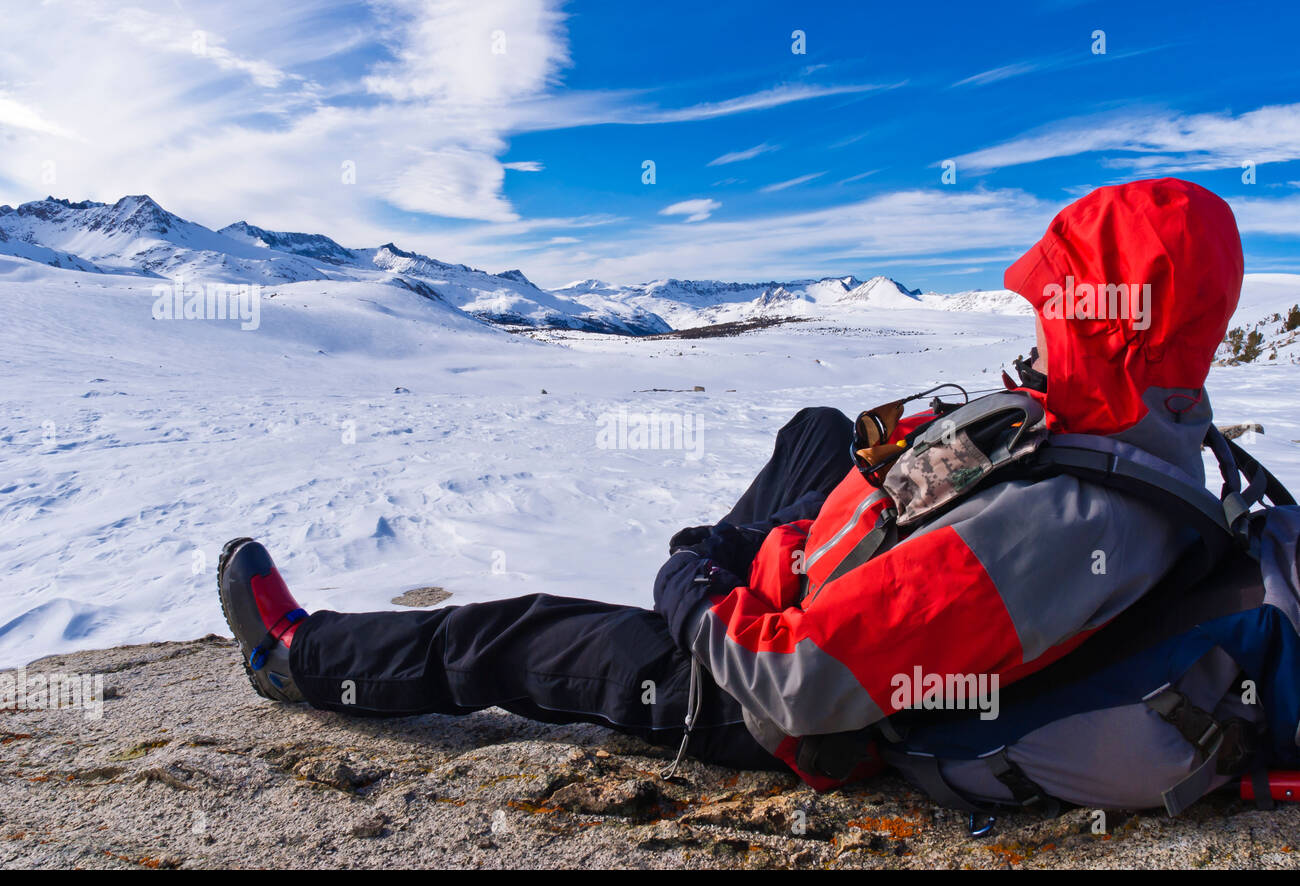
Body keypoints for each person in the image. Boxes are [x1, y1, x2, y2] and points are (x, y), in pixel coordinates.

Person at [218, 177, 1245, 785]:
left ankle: (298, 656)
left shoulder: (1062, 523)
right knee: (817, 431)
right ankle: (744, 555)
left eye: (1051, 316)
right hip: (832, 579)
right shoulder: (1151, 429)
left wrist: (695, 584)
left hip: (770, 701)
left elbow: (807, 682)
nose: (1033, 336)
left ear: (1102, 318)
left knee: (515, 636)